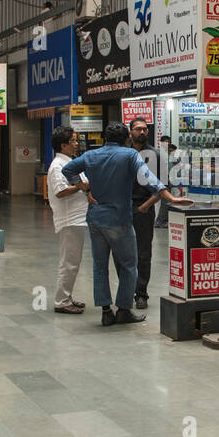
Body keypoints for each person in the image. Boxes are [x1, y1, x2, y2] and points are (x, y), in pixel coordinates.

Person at [63, 122, 190, 326]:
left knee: (99, 266)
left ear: (105, 138)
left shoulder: (91, 155)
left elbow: (68, 169)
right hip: (119, 219)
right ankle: (123, 309)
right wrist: (170, 198)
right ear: (126, 139)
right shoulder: (129, 155)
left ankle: (106, 311)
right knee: (130, 266)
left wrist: (84, 188)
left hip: (96, 219)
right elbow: (149, 179)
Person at [46, 126, 90, 315]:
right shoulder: (58, 166)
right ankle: (61, 301)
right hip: (69, 220)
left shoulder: (69, 162)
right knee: (69, 262)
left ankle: (67, 296)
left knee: (74, 261)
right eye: (72, 141)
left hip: (78, 218)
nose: (76, 144)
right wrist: (81, 187)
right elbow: (60, 191)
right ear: (63, 145)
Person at [128, 117, 157, 310]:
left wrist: (145, 206)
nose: (142, 132)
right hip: (123, 207)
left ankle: (141, 293)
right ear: (130, 132)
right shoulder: (123, 153)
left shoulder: (155, 155)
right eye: (138, 129)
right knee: (124, 252)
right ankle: (126, 290)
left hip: (144, 207)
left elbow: (163, 186)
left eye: (145, 129)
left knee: (143, 253)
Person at [154, 136, 177, 228]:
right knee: (165, 202)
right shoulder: (158, 153)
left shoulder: (168, 154)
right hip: (162, 180)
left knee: (165, 202)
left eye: (168, 142)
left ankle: (161, 220)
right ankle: (160, 221)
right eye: (165, 142)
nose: (167, 144)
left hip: (168, 180)